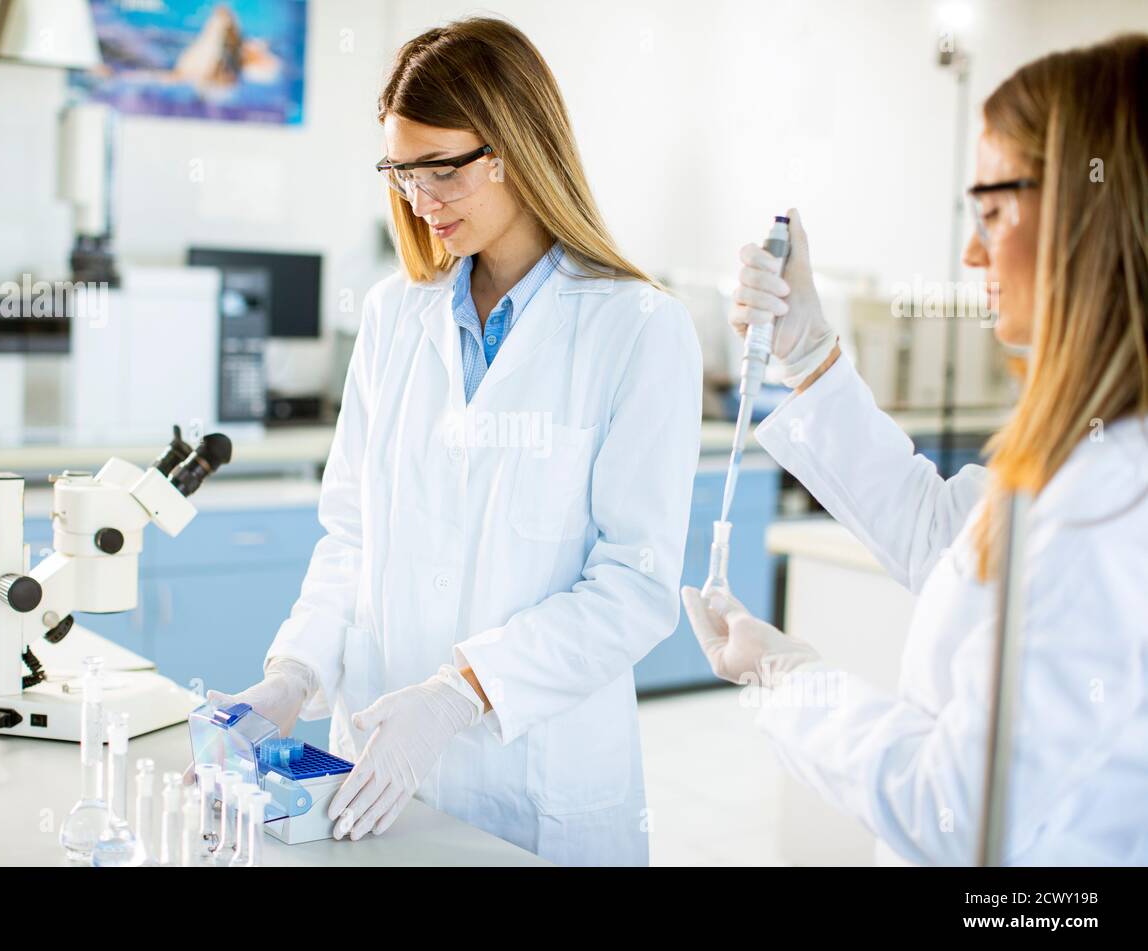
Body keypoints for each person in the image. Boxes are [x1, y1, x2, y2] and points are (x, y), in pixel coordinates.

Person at [211, 17, 701, 866]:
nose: (418, 198)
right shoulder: (394, 317)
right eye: (401, 171)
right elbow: (351, 536)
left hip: (537, 792)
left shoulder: (638, 328)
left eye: (441, 168)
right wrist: (293, 673)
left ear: (517, 145)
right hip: (375, 776)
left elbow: (635, 586)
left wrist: (460, 693)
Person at [684, 33, 1148, 865]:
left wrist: (795, 683)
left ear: (1096, 213)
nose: (971, 252)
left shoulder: (1114, 504)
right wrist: (808, 352)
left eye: (995, 212)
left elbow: (954, 809)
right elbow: (949, 540)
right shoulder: (1087, 455)